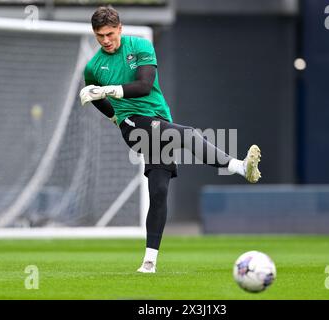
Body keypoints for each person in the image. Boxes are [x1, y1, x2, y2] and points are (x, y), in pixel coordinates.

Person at [79, 6, 261, 273]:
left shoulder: (140, 46)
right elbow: (95, 98)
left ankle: (149, 261)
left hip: (159, 121)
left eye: (109, 34)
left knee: (159, 192)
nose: (105, 40)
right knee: (187, 134)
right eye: (99, 36)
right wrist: (113, 117)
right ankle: (240, 167)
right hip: (134, 125)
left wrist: (106, 90)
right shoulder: (93, 67)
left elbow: (143, 85)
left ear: (119, 28)